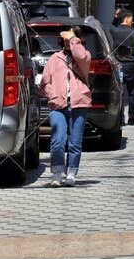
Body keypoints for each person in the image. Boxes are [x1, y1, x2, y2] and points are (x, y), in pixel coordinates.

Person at [38, 28, 93, 186]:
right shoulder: (55, 58)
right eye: (66, 40)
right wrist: (53, 94)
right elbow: (44, 83)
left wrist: (73, 39)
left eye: (72, 40)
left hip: (79, 104)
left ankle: (71, 174)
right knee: (58, 140)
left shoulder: (84, 57)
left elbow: (80, 55)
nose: (68, 43)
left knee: (75, 142)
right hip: (58, 105)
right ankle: (57, 173)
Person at [110, 8, 134, 125]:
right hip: (131, 65)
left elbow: (111, 26)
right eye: (131, 19)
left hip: (118, 65)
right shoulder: (132, 32)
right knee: (132, 91)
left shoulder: (115, 31)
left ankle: (120, 118)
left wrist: (116, 16)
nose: (132, 22)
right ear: (127, 19)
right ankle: (132, 117)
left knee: (120, 91)